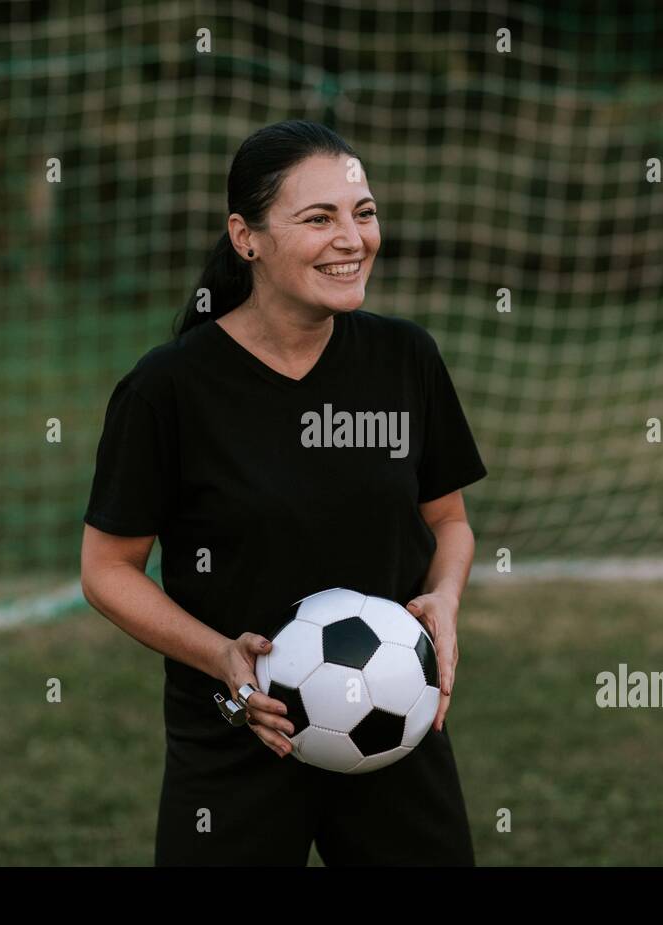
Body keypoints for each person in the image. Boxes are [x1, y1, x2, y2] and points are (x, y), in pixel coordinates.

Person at [80, 119, 487, 865]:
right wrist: (220, 658)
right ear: (246, 238)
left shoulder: (406, 358)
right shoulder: (170, 389)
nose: (351, 239)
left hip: (397, 729)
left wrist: (446, 600)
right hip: (236, 739)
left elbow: (450, 521)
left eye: (362, 214)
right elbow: (106, 569)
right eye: (319, 218)